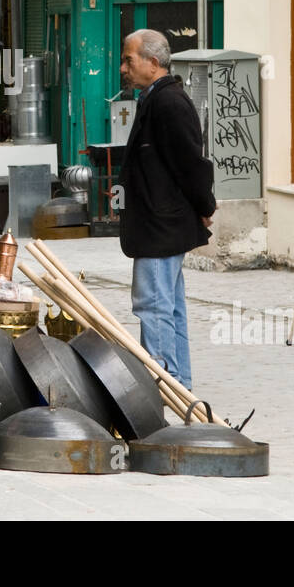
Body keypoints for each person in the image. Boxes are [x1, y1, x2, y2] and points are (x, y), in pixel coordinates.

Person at [117, 29, 216, 388]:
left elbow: (191, 162)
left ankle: (164, 384)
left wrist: (205, 206)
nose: (123, 67)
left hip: (161, 227)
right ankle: (179, 383)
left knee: (153, 307)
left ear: (153, 62)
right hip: (157, 224)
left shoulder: (169, 102)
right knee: (168, 307)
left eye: (129, 59)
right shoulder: (154, 98)